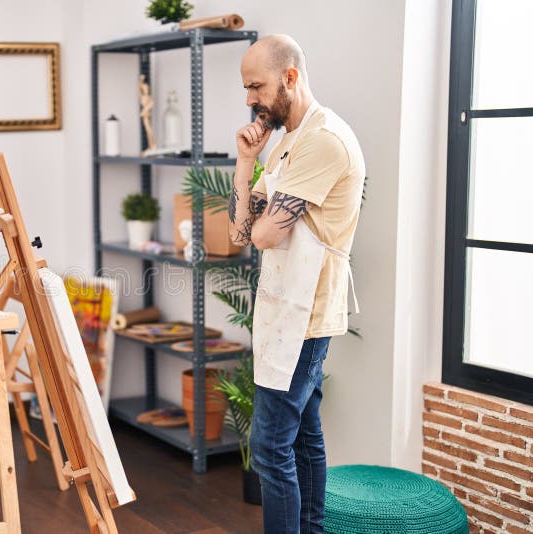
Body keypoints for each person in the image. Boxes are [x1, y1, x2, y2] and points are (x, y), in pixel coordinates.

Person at [228, 35, 365, 533]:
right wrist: (246, 164)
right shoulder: (286, 139)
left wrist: (262, 213)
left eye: (256, 86)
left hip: (306, 316)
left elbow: (262, 234)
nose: (249, 100)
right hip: (282, 310)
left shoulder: (324, 140)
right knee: (304, 439)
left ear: (290, 77)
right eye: (245, 88)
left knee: (270, 447)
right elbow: (239, 230)